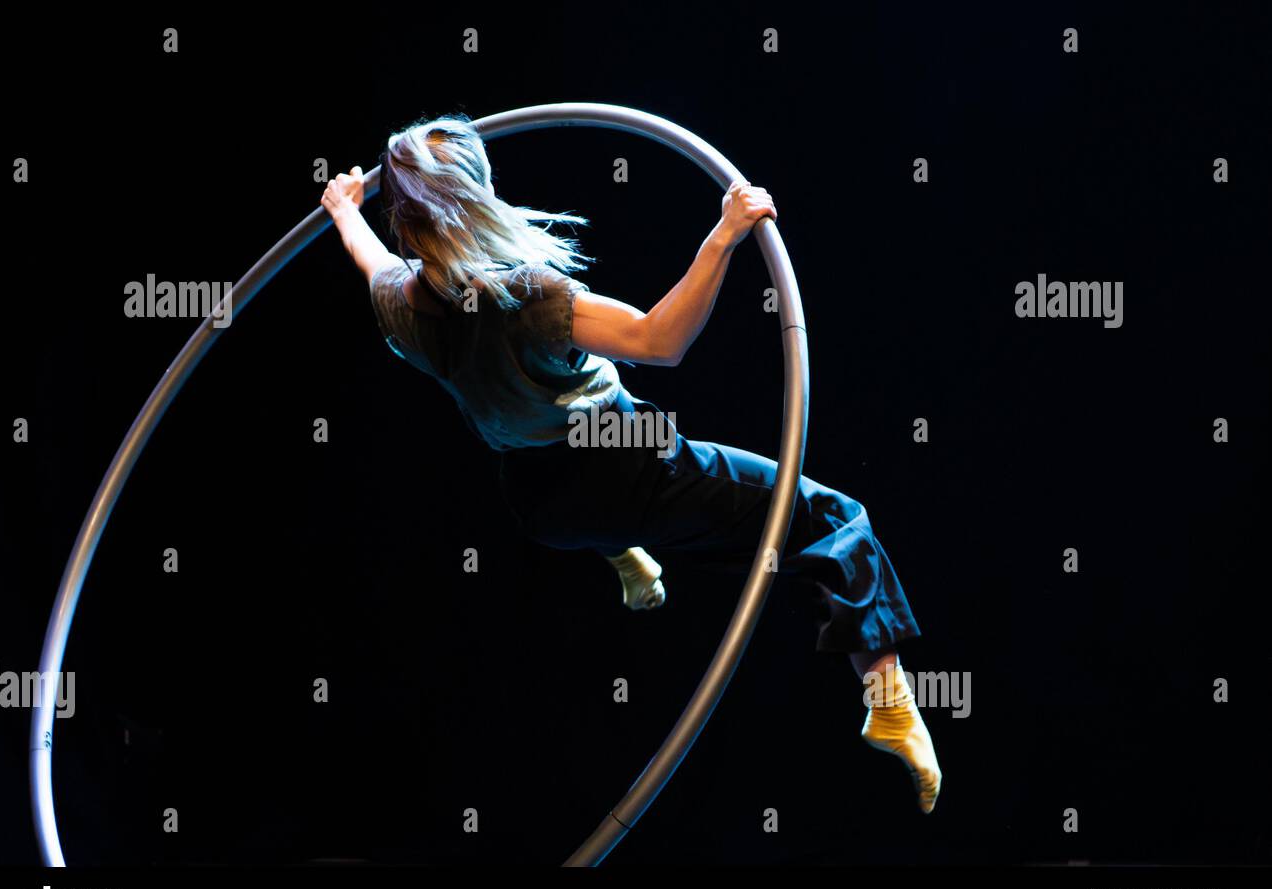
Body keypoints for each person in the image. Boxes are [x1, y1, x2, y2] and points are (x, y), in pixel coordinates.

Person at [322, 114, 942, 813]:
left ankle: (622, 554)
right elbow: (660, 340)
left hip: (538, 504)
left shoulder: (401, 305)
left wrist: (344, 211)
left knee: (594, 497)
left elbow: (370, 258)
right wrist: (724, 234)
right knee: (833, 518)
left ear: (404, 213)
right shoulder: (528, 295)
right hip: (629, 469)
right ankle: (888, 703)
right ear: (478, 194)